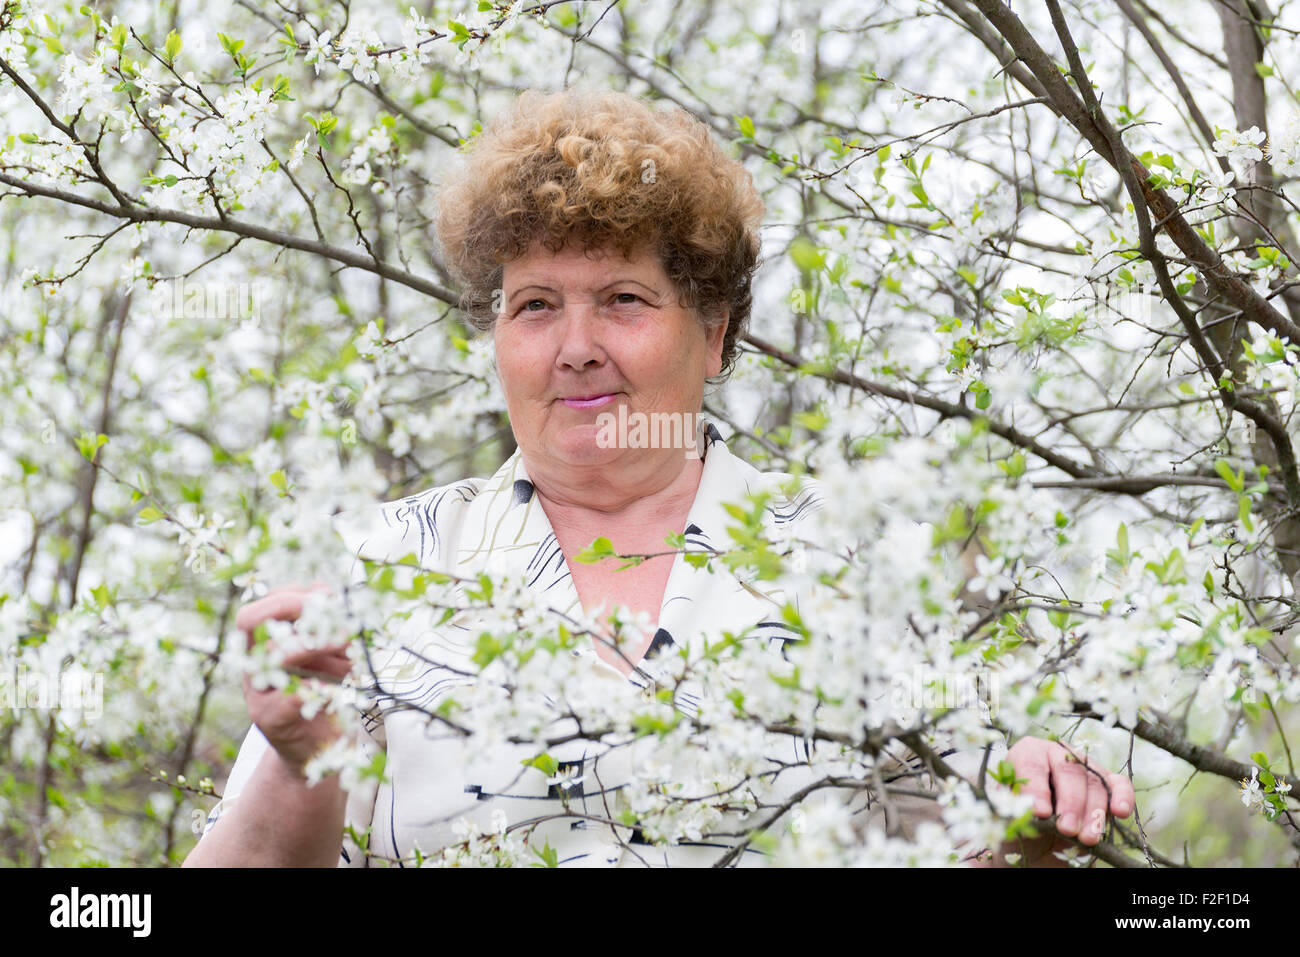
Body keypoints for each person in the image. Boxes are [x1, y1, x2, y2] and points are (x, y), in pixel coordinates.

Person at [183, 87, 1133, 868]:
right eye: (536, 306)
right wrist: (298, 760)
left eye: (624, 301)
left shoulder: (858, 570)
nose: (576, 348)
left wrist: (1029, 827)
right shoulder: (384, 567)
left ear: (714, 331)